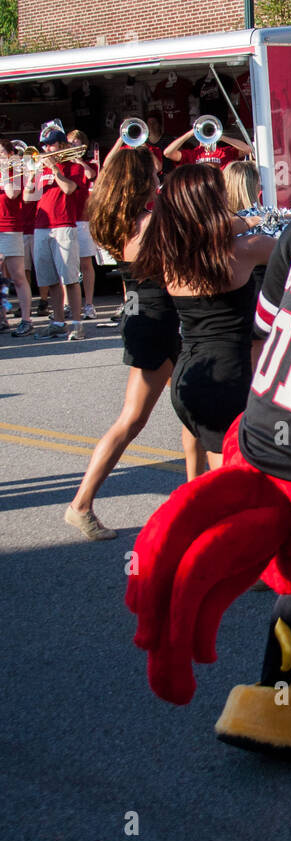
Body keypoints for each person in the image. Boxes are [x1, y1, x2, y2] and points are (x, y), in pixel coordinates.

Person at [65, 149, 185, 540]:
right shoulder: (148, 223)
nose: (158, 178)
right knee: (133, 419)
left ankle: (195, 502)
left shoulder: (119, 221)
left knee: (194, 416)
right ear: (139, 182)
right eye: (153, 174)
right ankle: (81, 504)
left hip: (149, 318)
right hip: (158, 322)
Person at [133, 165, 274, 470]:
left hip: (188, 374)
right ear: (212, 200)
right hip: (227, 377)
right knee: (228, 481)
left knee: (202, 470)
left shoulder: (169, 251)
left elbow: (205, 231)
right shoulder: (244, 250)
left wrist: (249, 220)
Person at [32, 121, 87, 342]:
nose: (46, 150)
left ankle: (77, 324)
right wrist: (29, 181)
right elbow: (28, 197)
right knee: (50, 279)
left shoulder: (73, 166)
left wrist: (55, 169)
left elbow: (69, 188)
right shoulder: (40, 167)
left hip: (64, 224)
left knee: (70, 279)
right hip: (41, 226)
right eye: (44, 146)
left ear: (62, 144)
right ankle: (57, 322)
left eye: (51, 144)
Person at [0, 139, 38, 336]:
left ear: (9, 154)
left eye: (1, 153)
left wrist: (6, 170)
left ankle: (26, 319)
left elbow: (12, 194)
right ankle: (3, 318)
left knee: (18, 277)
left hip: (10, 228)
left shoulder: (16, 173)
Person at [66, 129, 99, 319]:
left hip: (82, 219)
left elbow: (91, 175)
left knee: (86, 263)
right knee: (66, 265)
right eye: (70, 142)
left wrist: (78, 160)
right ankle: (67, 304)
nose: (73, 145)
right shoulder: (63, 166)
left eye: (76, 142)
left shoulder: (86, 164)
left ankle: (89, 304)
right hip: (66, 218)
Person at [162, 122, 253, 170]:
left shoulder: (225, 151)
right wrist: (190, 134)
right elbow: (167, 153)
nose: (207, 135)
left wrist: (221, 137)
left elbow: (248, 149)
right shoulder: (192, 154)